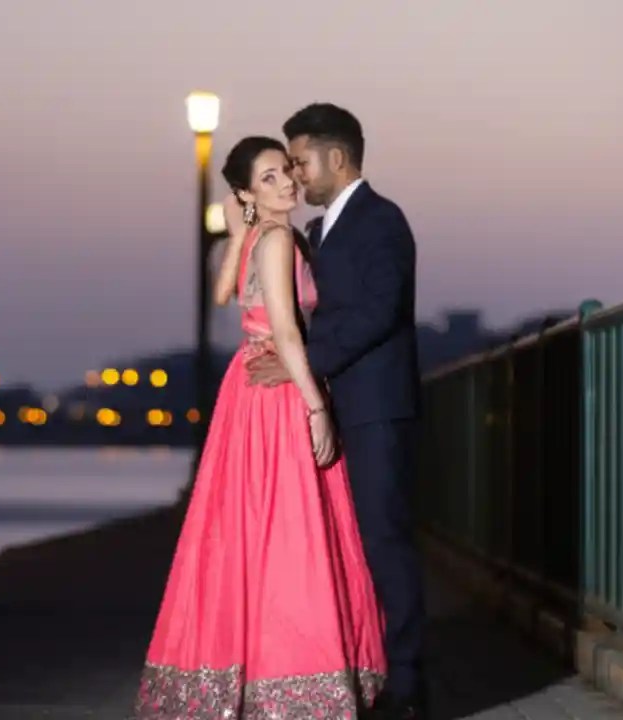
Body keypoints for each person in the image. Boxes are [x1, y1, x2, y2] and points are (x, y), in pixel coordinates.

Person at [132, 136, 386, 719]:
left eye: (285, 171)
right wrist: (317, 407)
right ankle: (292, 680)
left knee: (251, 529)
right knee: (290, 531)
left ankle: (251, 681)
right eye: (268, 178)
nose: (287, 182)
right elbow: (288, 332)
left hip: (247, 389)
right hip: (277, 393)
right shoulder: (277, 240)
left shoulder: (259, 236)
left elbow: (225, 293)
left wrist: (235, 225)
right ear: (247, 191)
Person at [246, 103, 427, 719]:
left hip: (376, 410)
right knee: (348, 549)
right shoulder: (318, 232)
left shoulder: (382, 220)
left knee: (385, 543)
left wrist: (307, 361)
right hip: (333, 408)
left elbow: (380, 309)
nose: (296, 174)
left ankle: (409, 691)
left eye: (300, 162)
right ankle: (366, 676)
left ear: (338, 158)